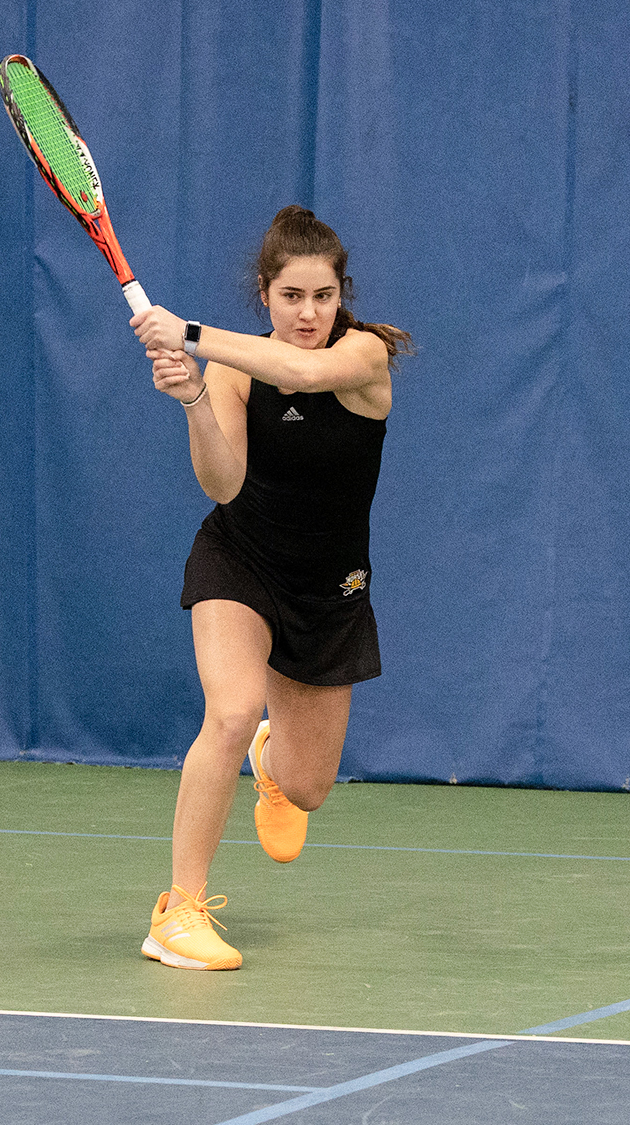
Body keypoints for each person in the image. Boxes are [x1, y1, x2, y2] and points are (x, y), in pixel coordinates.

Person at [128, 205, 411, 970]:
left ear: (342, 294)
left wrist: (185, 331)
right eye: (291, 297)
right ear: (265, 295)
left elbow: (302, 374)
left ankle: (273, 761)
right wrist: (194, 397)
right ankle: (178, 911)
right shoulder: (233, 367)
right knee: (228, 710)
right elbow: (222, 483)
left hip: (329, 588)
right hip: (242, 560)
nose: (308, 313)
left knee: (309, 788)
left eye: (322, 295)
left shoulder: (364, 356)